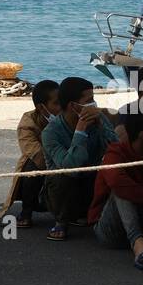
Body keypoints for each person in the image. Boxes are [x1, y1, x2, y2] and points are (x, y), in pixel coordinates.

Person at [42, 76, 117, 241]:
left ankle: (99, 216)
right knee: (63, 177)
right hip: (63, 189)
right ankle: (61, 221)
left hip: (91, 179)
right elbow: (70, 166)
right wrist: (80, 131)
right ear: (73, 106)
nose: (93, 104)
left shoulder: (98, 119)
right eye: (89, 100)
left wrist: (101, 127)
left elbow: (117, 147)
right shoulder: (50, 132)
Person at [90, 110, 143, 269]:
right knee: (120, 186)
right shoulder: (116, 152)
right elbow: (117, 182)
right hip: (110, 229)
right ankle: (138, 243)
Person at [0, 79, 59, 227]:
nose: (61, 106)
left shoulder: (68, 115)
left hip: (67, 160)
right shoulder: (28, 122)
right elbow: (35, 152)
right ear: (42, 108)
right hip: (46, 165)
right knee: (31, 166)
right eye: (56, 103)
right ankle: (26, 211)